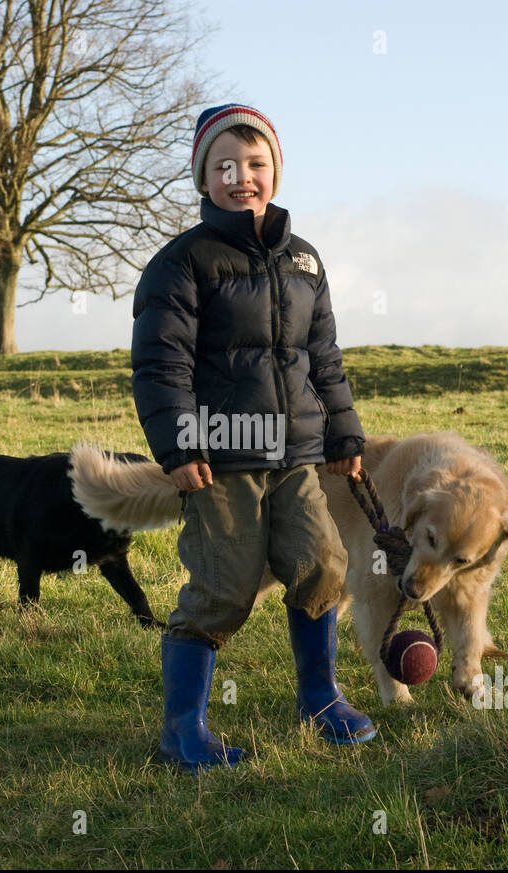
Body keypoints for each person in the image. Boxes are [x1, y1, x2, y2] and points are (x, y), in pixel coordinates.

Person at [131, 103, 374, 772]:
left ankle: (321, 699)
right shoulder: (180, 263)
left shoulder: (305, 260)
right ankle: (182, 732)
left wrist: (343, 434)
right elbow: (161, 365)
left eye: (256, 163)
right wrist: (179, 447)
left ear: (277, 170)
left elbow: (322, 355)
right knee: (225, 589)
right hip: (220, 460)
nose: (243, 177)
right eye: (225, 166)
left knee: (323, 565)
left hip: (296, 456)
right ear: (202, 177)